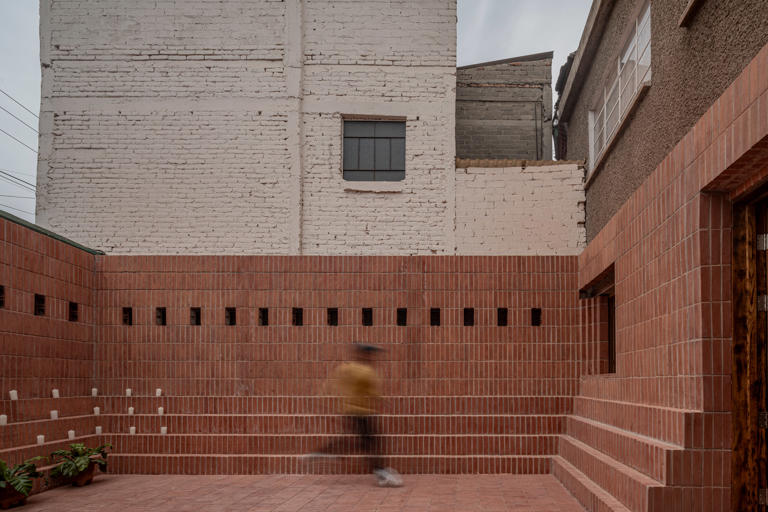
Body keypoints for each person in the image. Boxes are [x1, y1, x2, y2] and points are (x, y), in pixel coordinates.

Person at [305, 343, 403, 487]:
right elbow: (374, 392)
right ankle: (380, 471)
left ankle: (325, 451)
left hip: (349, 411)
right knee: (372, 442)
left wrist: (325, 400)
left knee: (362, 442)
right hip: (364, 412)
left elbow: (329, 386)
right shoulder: (366, 371)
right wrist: (384, 401)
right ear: (366, 355)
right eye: (371, 355)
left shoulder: (345, 368)